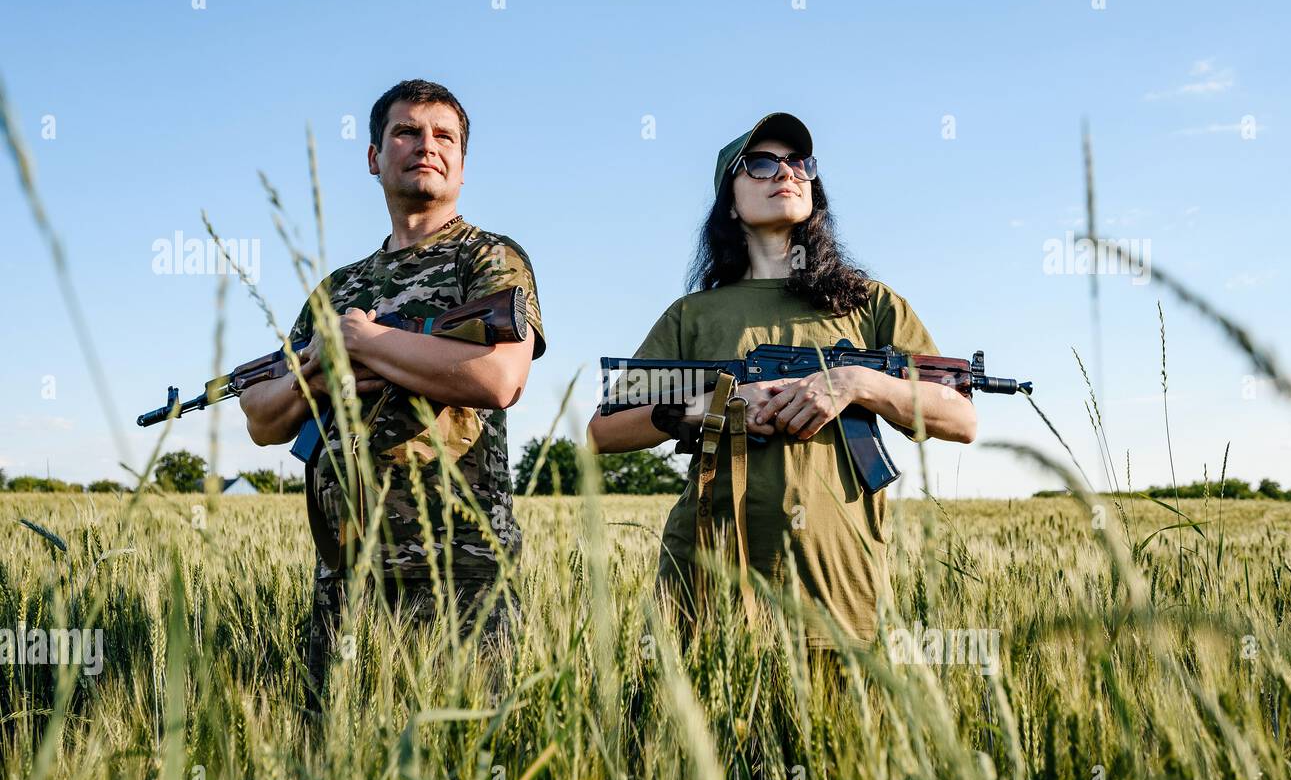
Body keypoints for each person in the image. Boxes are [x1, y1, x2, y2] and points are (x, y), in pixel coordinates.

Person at [587, 113, 974, 649]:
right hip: (710, 574)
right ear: (729, 201)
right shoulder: (692, 316)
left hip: (840, 586)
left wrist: (857, 382)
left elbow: (960, 418)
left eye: (798, 163)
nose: (785, 174)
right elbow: (603, 432)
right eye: (761, 164)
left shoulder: (870, 304)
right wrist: (717, 404)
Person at [238, 79, 545, 709]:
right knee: (338, 766)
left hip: (462, 571)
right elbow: (261, 419)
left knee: (461, 769)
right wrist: (324, 373)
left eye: (444, 137)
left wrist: (364, 339)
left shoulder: (487, 260)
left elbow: (499, 379)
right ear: (375, 157)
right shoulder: (338, 286)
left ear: (462, 162)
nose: (426, 146)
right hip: (346, 575)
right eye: (406, 132)